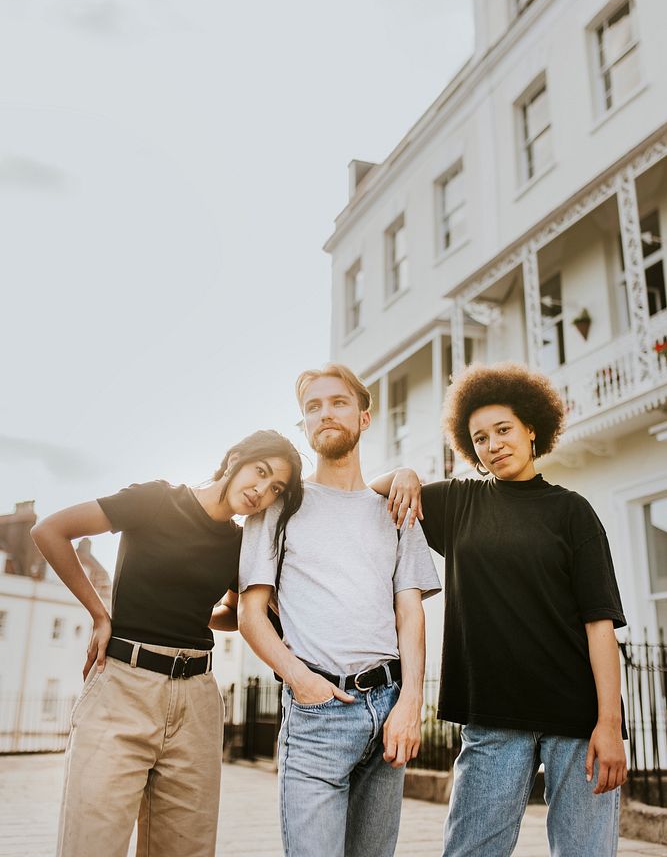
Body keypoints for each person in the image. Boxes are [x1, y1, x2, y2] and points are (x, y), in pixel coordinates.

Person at [372, 361, 628, 857]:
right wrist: (403, 472)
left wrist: (610, 725)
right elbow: (367, 496)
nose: (494, 444)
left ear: (532, 428)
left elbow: (599, 626)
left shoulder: (572, 512)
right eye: (481, 438)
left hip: (577, 720)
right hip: (491, 716)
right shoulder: (459, 502)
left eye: (504, 429)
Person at [31, 429, 303, 857]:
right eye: (261, 471)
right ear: (235, 458)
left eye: (275, 489)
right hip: (122, 690)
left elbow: (236, 613)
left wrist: (197, 616)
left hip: (196, 703)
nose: (261, 491)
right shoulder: (157, 499)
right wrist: (101, 614)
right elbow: (50, 531)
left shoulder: (239, 544)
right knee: (91, 845)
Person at [238, 363, 441, 857]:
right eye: (312, 408)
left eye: (338, 402)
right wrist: (301, 681)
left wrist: (411, 702)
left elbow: (410, 613)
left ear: (364, 418)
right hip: (318, 713)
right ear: (304, 426)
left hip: (389, 706)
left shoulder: (396, 509)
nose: (324, 414)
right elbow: (250, 614)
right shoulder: (277, 509)